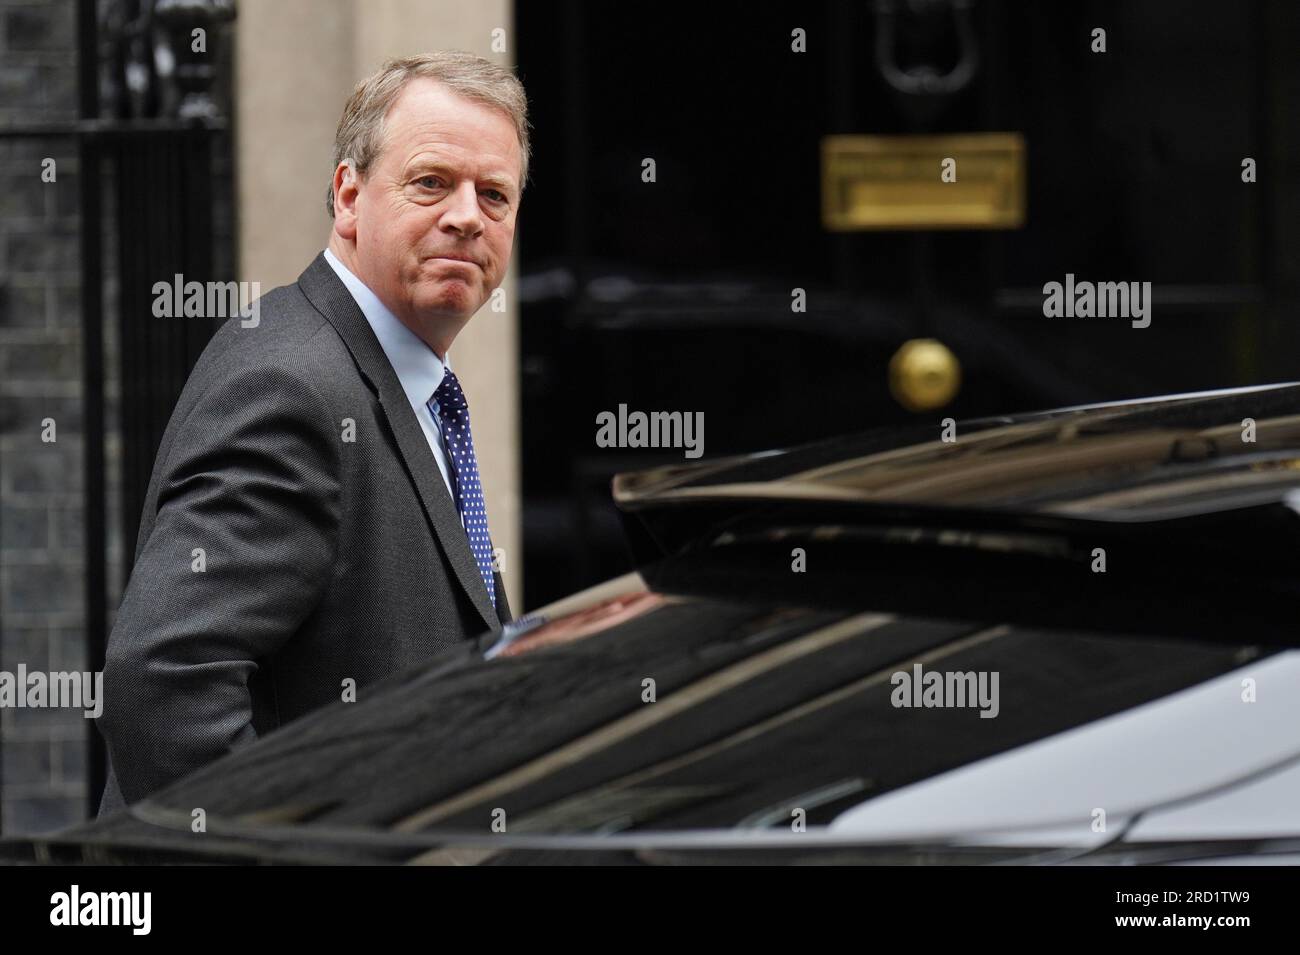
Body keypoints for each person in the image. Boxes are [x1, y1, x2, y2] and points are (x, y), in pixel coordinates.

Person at [96, 51, 529, 815]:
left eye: (494, 194)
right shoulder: (293, 386)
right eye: (431, 182)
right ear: (348, 195)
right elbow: (165, 678)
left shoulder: (403, 384)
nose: (467, 215)